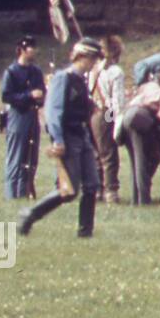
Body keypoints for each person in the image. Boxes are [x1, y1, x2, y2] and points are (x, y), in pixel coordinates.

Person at [19, 38, 105, 238]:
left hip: (82, 135)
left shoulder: (81, 81)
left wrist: (96, 109)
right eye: (92, 58)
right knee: (69, 190)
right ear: (82, 57)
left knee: (92, 185)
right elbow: (53, 111)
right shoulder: (63, 78)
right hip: (67, 136)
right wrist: (58, 139)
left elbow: (83, 107)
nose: (94, 63)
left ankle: (86, 232)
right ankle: (30, 214)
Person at [1, 35, 46, 200]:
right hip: (18, 116)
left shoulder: (36, 71)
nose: (33, 50)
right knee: (16, 157)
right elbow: (7, 96)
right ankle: (12, 194)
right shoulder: (11, 72)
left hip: (33, 116)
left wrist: (41, 97)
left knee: (31, 157)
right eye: (30, 47)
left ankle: (26, 190)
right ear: (21, 50)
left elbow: (42, 90)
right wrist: (29, 95)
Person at [123, 68, 160, 205]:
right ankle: (144, 200)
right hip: (140, 119)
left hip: (126, 118)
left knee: (135, 162)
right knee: (141, 161)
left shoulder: (144, 87)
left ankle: (135, 199)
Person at [89, 35, 126, 203]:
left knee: (97, 153)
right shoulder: (115, 72)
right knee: (109, 153)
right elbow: (117, 101)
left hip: (92, 112)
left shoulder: (93, 69)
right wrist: (118, 121)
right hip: (106, 112)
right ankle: (110, 190)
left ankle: (97, 189)